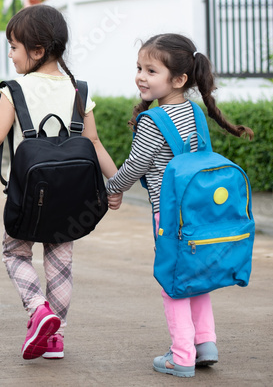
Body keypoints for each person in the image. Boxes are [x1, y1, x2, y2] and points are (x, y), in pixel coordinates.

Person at [0, 4, 121, 361]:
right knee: (61, 263)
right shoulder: (78, 90)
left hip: (29, 196)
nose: (10, 55)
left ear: (37, 51)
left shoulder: (15, 90)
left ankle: (38, 308)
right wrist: (114, 184)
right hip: (71, 197)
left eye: (14, 47)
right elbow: (95, 143)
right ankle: (56, 339)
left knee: (15, 252)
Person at [102, 33, 253, 378]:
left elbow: (133, 168)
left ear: (179, 79)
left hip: (169, 216)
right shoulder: (195, 112)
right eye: (139, 68)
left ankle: (182, 355)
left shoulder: (154, 123)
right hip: (201, 214)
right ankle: (206, 343)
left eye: (151, 70)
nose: (141, 76)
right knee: (196, 276)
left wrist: (112, 189)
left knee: (173, 281)